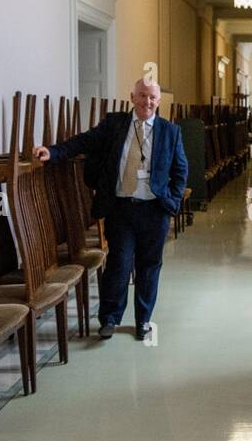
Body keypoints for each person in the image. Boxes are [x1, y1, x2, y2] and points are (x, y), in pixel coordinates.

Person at [33, 79, 187, 340]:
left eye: (152, 97)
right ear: (132, 96)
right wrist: (54, 151)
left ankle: (143, 321)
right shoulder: (115, 124)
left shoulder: (170, 132)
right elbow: (84, 141)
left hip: (154, 210)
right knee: (119, 263)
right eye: (142, 96)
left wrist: (171, 201)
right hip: (121, 209)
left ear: (158, 101)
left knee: (149, 266)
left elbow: (180, 170)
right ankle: (110, 318)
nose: (146, 102)